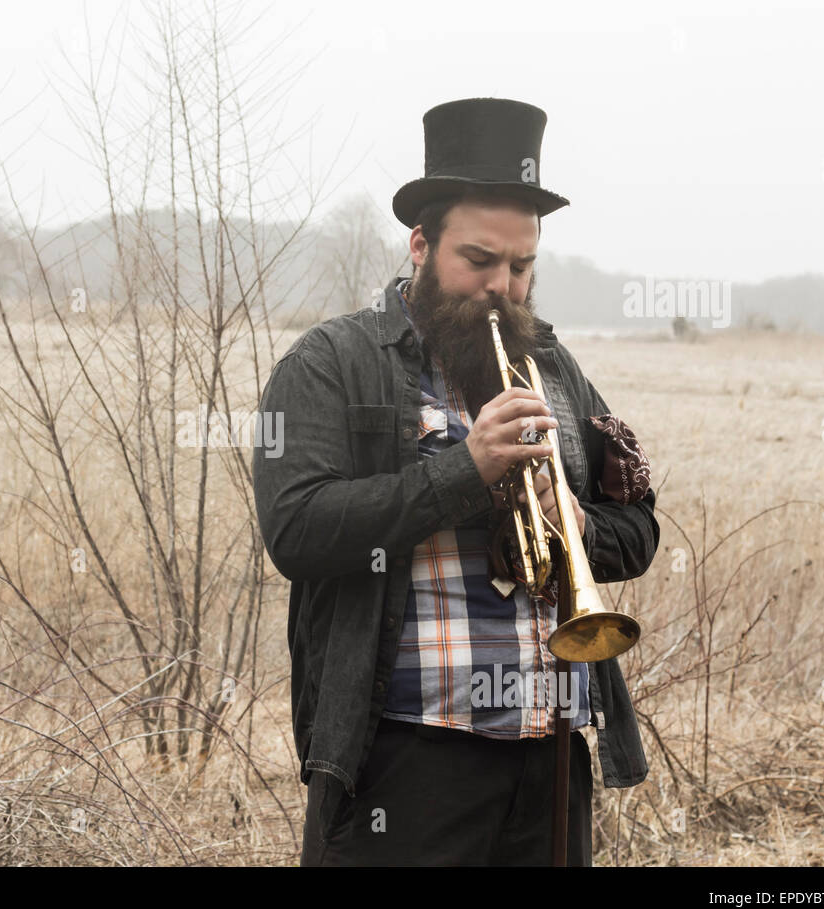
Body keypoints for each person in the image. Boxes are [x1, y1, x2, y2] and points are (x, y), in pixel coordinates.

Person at [251, 98, 660, 866]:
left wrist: (575, 519)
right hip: (406, 761)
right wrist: (465, 472)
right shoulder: (330, 364)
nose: (502, 285)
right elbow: (296, 530)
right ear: (419, 245)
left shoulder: (558, 370)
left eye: (521, 265)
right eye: (479, 260)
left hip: (552, 752)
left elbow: (638, 527)